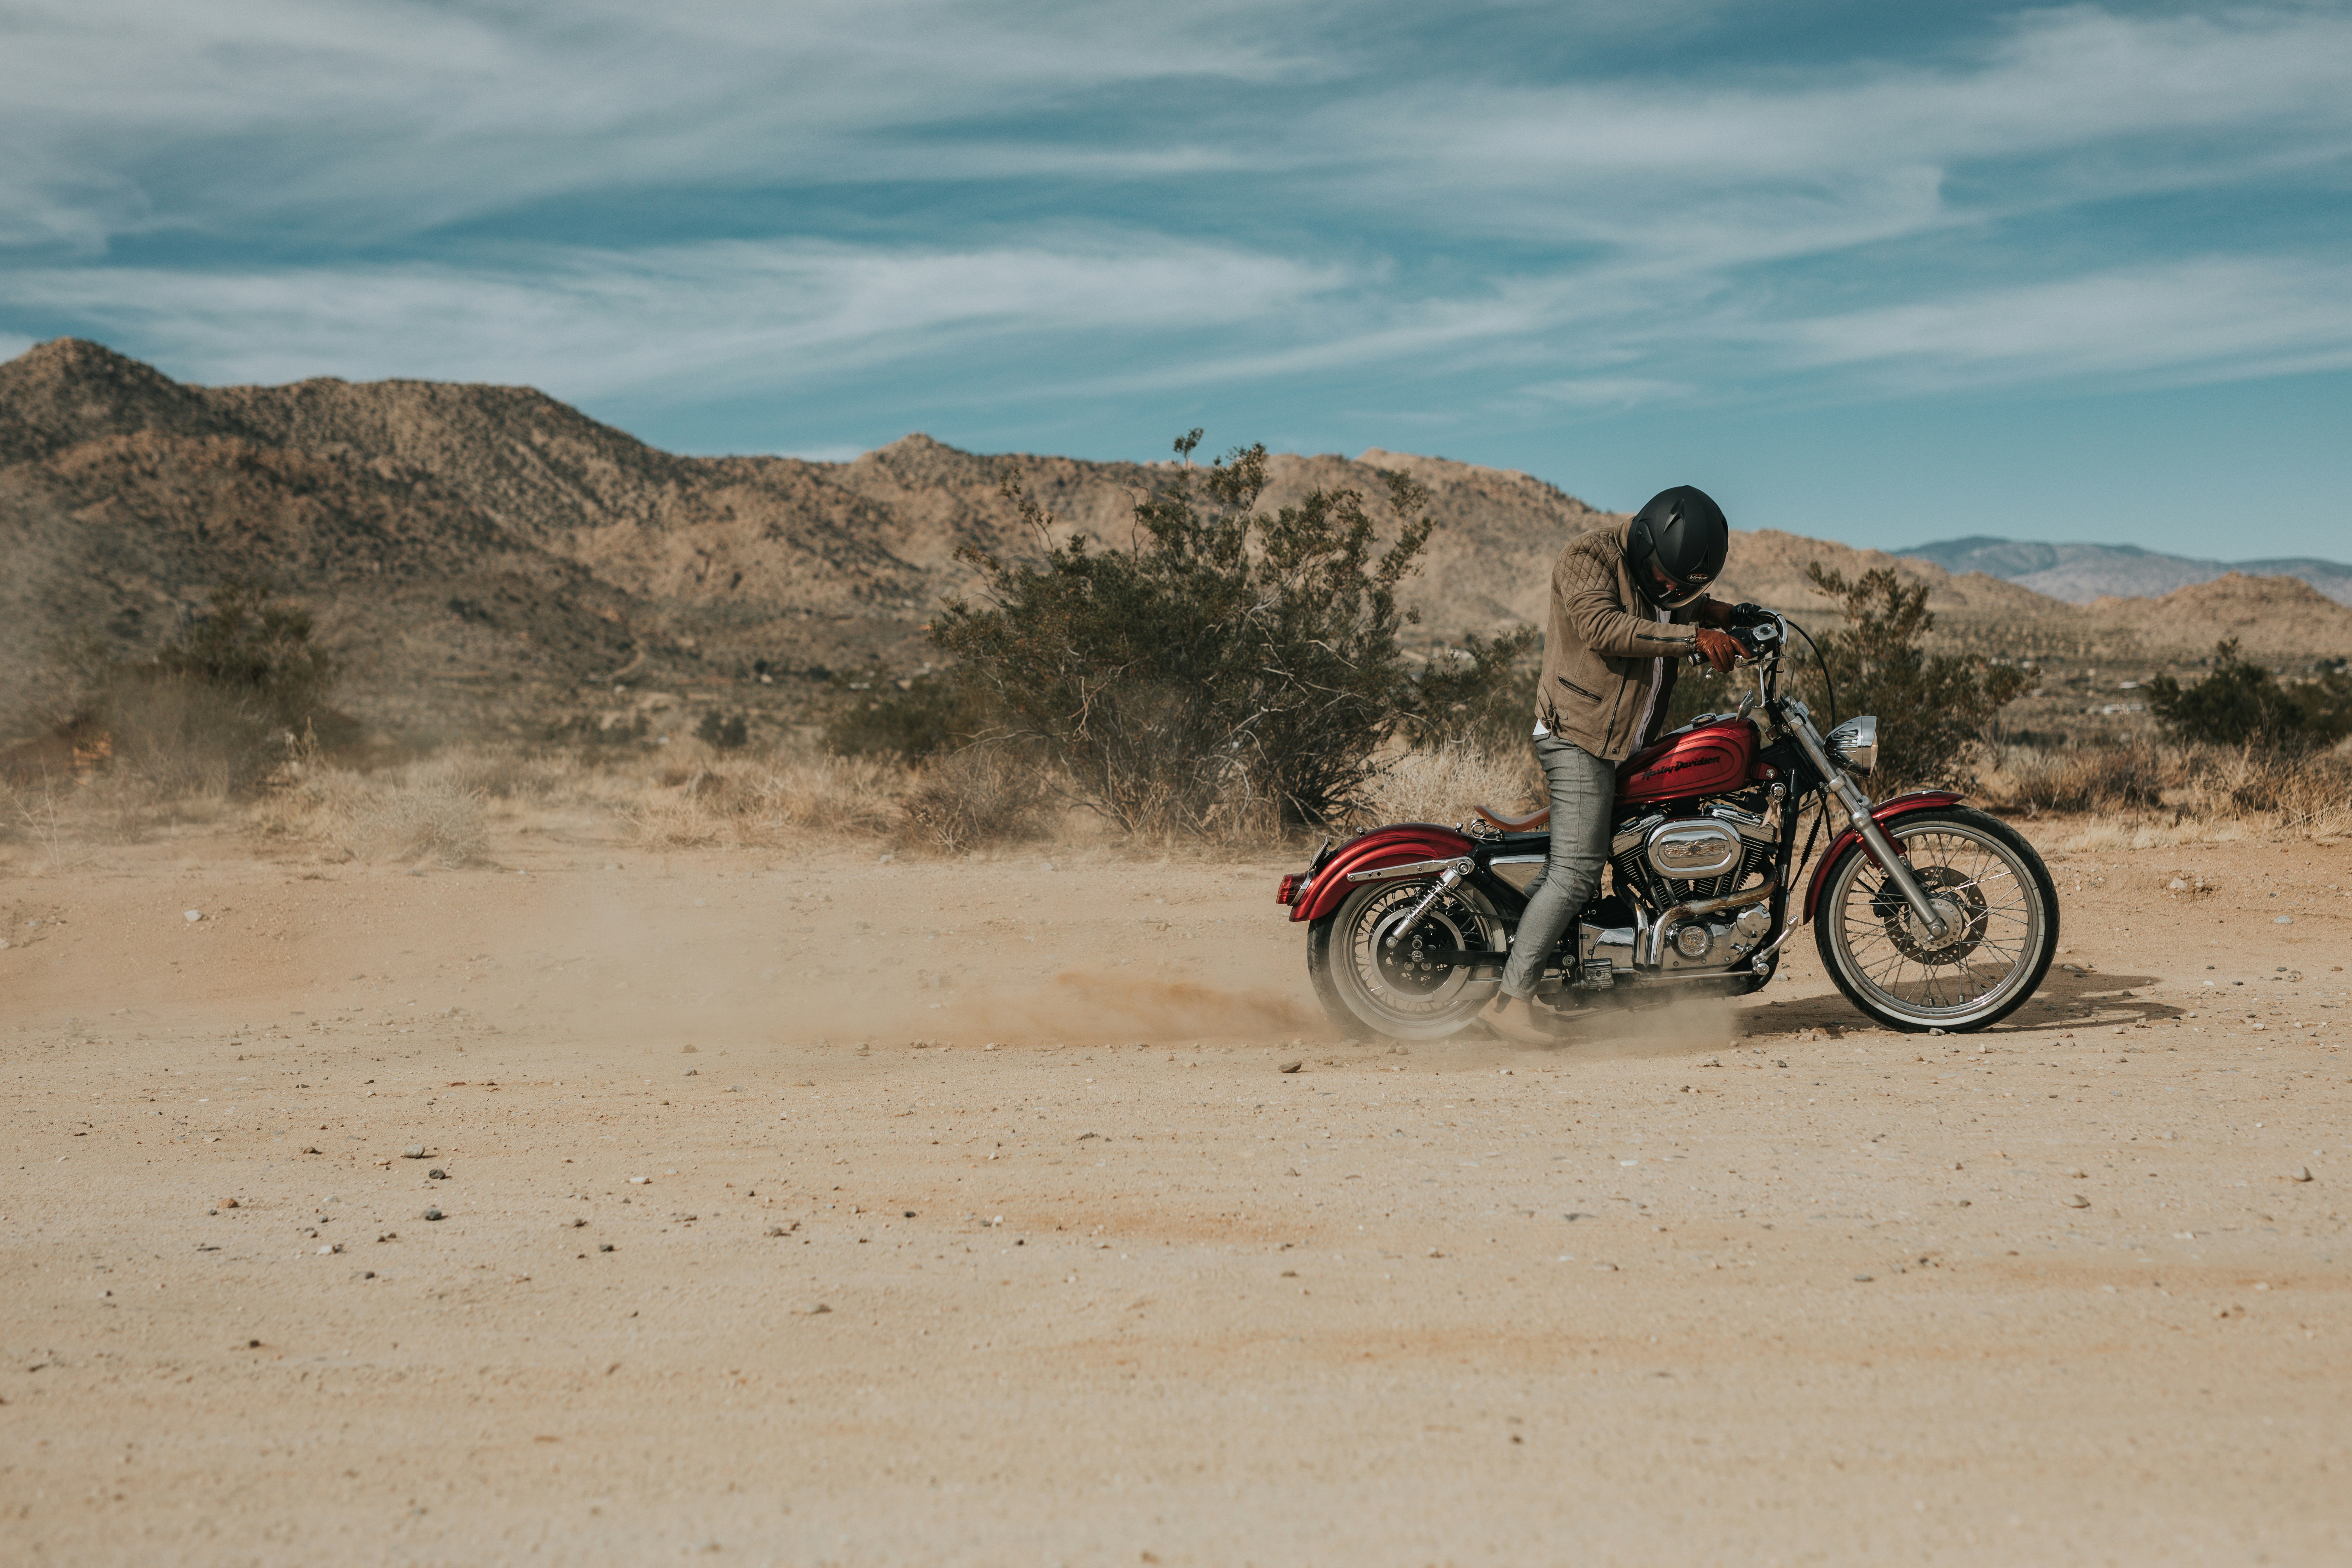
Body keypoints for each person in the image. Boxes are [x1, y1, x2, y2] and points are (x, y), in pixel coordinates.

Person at [1478, 485, 1747, 1044]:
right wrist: (1695, 636)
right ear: (1647, 540)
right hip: (1579, 737)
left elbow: (1669, 603)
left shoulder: (1663, 579)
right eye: (1667, 578)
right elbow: (1605, 625)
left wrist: (1727, 614)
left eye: (1686, 586)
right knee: (1577, 873)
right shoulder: (1589, 558)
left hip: (1622, 741)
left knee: (1610, 857)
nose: (1672, 589)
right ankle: (1510, 1003)